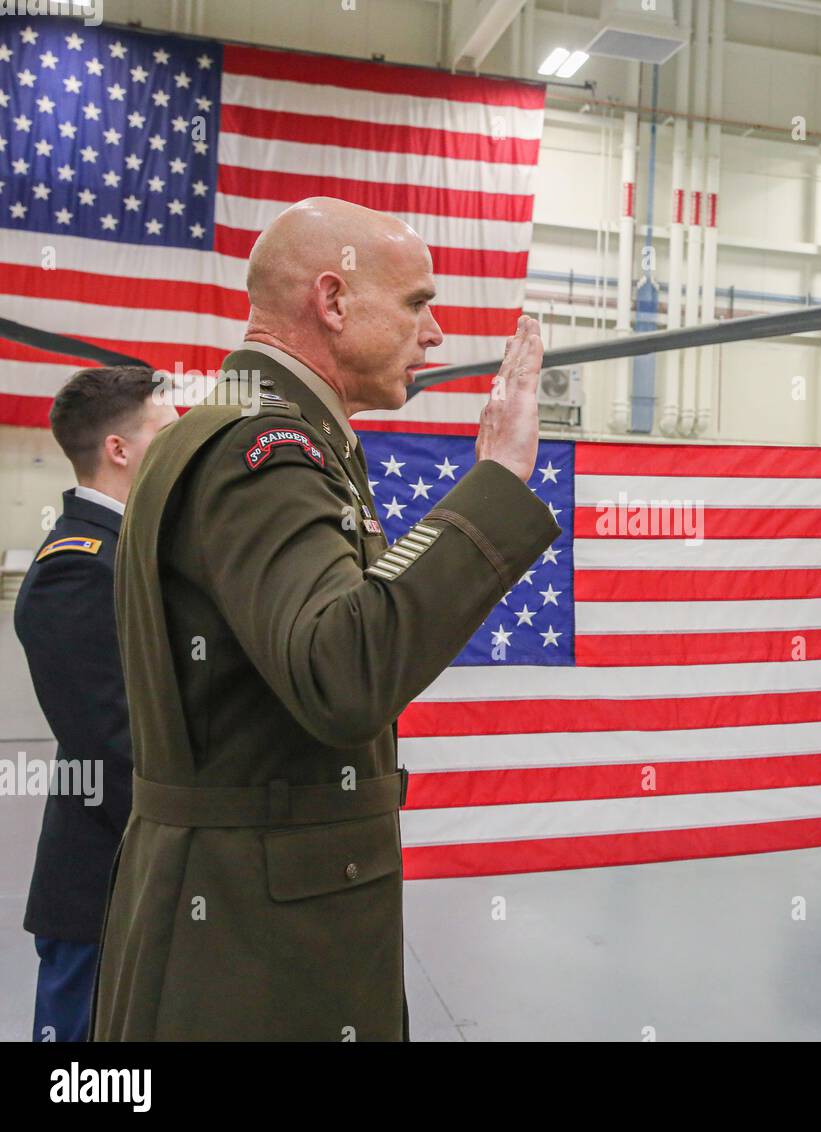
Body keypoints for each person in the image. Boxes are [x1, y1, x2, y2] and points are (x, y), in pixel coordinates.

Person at [92, 197, 561, 1041]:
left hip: (235, 900)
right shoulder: (263, 449)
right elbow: (340, 668)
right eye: (418, 302)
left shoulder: (227, 429)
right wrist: (497, 482)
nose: (437, 333)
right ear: (334, 301)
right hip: (259, 933)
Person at [15, 366, 177, 1042]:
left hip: (138, 878)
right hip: (105, 884)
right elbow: (114, 745)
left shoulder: (131, 550)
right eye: (166, 434)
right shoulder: (79, 566)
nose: (179, 447)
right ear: (119, 450)